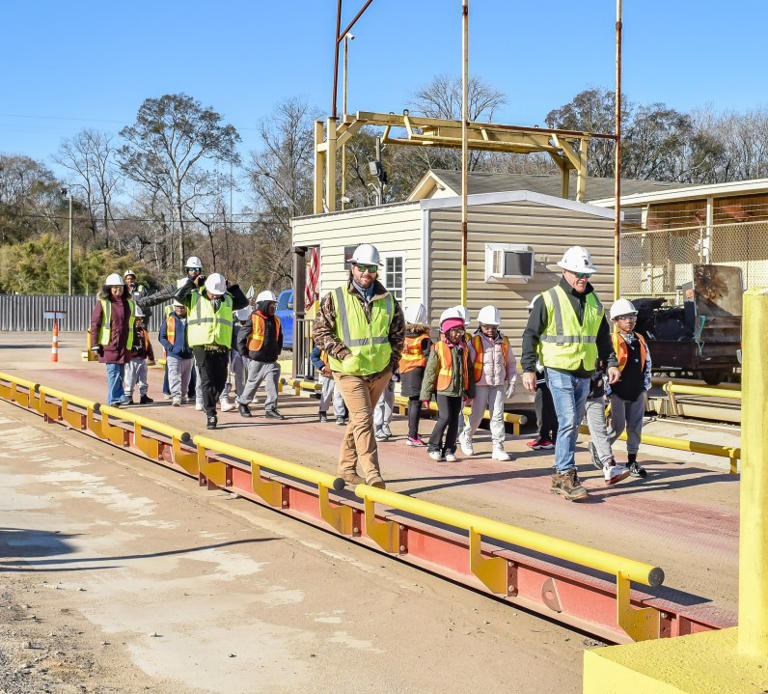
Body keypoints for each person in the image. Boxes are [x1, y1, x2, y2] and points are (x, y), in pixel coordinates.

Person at [521, 246, 619, 501]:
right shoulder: (548, 299)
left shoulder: (594, 302)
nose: (582, 278)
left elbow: (602, 338)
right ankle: (567, 474)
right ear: (564, 271)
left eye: (586, 274)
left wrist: (611, 363)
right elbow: (530, 335)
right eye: (577, 273)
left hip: (584, 371)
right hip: (558, 369)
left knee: (573, 423)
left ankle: (558, 476)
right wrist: (528, 368)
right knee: (567, 421)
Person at [312, 243, 405, 488]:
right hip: (349, 371)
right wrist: (342, 354)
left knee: (357, 422)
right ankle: (373, 473)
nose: (366, 273)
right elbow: (320, 332)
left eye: (371, 268)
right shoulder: (335, 298)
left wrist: (391, 363)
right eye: (362, 267)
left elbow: (398, 334)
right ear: (352, 268)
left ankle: (346, 469)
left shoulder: (389, 301)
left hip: (379, 370)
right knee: (364, 419)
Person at [175, 272, 248, 429]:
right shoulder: (194, 298)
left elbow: (243, 302)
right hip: (202, 346)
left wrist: (231, 288)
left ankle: (210, 402)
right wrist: (192, 283)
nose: (216, 296)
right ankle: (211, 414)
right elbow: (178, 297)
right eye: (213, 293)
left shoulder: (228, 300)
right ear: (206, 288)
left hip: (221, 346)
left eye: (219, 293)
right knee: (207, 380)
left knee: (220, 381)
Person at [459, 305, 517, 461]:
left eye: (493, 326)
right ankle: (466, 436)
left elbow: (510, 363)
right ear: (480, 325)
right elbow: (468, 366)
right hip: (480, 384)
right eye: (486, 326)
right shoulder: (474, 341)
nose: (490, 329)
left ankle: (498, 447)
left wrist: (511, 382)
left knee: (497, 416)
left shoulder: (504, 341)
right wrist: (467, 388)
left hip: (498, 385)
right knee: (477, 415)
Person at [420, 307, 475, 462]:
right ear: (447, 330)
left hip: (457, 391)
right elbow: (430, 373)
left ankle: (449, 449)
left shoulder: (463, 349)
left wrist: (470, 392)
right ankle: (433, 446)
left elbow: (468, 371)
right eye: (455, 331)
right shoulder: (438, 347)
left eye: (461, 331)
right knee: (444, 417)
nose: (458, 334)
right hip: (443, 389)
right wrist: (426, 395)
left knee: (454, 420)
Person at [606, 298, 652, 478]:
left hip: (637, 390)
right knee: (617, 426)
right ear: (616, 321)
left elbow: (647, 362)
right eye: (624, 317)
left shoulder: (640, 339)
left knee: (635, 427)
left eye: (632, 316)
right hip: (618, 390)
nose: (629, 321)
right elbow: (605, 367)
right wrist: (608, 391)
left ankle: (632, 461)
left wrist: (645, 386)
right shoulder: (612, 340)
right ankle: (601, 449)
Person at [89, 273, 137, 407]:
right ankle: (118, 397)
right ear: (108, 289)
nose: (118, 290)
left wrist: (133, 343)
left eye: (120, 288)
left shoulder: (130, 304)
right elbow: (95, 324)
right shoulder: (103, 303)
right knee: (113, 372)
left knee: (120, 373)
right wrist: (94, 344)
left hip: (124, 345)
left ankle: (113, 401)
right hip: (109, 345)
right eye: (114, 288)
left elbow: (131, 326)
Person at [236, 290, 284, 419]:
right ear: (263, 304)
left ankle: (271, 409)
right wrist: (243, 352)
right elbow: (242, 335)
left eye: (274, 304)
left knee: (272, 385)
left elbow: (279, 337)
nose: (273, 307)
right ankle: (243, 404)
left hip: (271, 360)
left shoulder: (277, 320)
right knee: (253, 383)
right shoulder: (254, 318)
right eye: (271, 304)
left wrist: (277, 351)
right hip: (257, 359)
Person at [585, 358, 631, 485]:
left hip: (595, 386)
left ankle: (609, 465)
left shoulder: (635, 339)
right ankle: (565, 470)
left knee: (600, 426)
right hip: (570, 383)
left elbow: (609, 355)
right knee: (570, 427)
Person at [526, 296, 557, 450]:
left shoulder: (544, 329)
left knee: (545, 406)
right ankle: (550, 437)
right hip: (545, 373)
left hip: (547, 373)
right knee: (549, 406)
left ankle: (544, 437)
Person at [399, 303, 432, 446]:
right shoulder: (423, 337)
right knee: (415, 404)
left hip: (405, 370)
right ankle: (412, 436)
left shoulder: (403, 335)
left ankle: (412, 432)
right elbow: (429, 356)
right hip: (418, 371)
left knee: (412, 402)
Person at [159, 299, 194, 407]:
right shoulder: (169, 320)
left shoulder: (191, 319)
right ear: (174, 307)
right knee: (174, 376)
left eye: (182, 307)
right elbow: (162, 337)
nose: (180, 309)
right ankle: (176, 397)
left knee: (186, 378)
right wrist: (170, 348)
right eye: (178, 307)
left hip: (188, 355)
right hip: (174, 355)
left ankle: (183, 395)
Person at [221, 306, 253, 411]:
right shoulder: (231, 323)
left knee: (242, 378)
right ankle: (223, 399)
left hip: (244, 354)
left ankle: (239, 398)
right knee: (225, 376)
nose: (242, 323)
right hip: (231, 351)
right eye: (241, 321)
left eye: (244, 321)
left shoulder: (252, 323)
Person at [123, 306, 155, 405]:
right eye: (136, 319)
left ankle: (143, 396)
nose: (138, 321)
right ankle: (128, 396)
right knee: (130, 378)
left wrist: (151, 357)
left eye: (140, 319)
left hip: (142, 358)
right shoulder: (127, 331)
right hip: (131, 359)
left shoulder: (143, 331)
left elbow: (148, 345)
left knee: (143, 378)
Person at [311, 345, 348, 423]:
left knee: (339, 394)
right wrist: (322, 367)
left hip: (340, 372)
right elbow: (314, 356)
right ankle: (322, 411)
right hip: (327, 373)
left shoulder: (342, 343)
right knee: (326, 393)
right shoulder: (322, 343)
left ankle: (339, 415)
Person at [374, 373, 397, 441]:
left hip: (390, 374)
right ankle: (379, 429)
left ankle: (385, 425)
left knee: (390, 401)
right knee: (380, 401)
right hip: (378, 373)